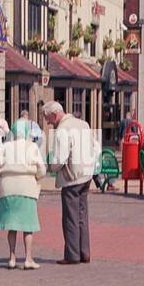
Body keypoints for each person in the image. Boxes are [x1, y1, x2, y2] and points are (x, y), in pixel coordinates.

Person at [44, 100, 94, 265]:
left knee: (70, 217)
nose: (47, 122)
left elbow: (60, 157)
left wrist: (52, 167)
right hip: (86, 174)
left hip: (71, 176)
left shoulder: (63, 129)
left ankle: (72, 255)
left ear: (55, 114)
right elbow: (93, 147)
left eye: (48, 118)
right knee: (82, 215)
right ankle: (84, 252)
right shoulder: (83, 124)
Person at [0, 118, 47, 269]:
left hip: (7, 189)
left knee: (12, 225)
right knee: (27, 225)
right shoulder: (32, 147)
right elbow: (42, 169)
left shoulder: (5, 147)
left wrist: (3, 177)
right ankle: (28, 258)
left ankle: (12, 258)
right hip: (27, 189)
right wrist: (36, 177)